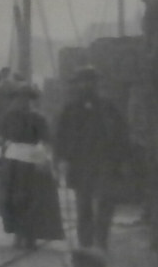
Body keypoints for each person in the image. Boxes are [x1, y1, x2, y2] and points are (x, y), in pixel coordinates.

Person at [54, 66, 130, 249]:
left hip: (105, 161)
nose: (86, 86)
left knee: (105, 202)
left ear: (96, 84)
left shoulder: (107, 107)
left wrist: (122, 159)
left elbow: (122, 133)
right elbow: (60, 136)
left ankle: (101, 241)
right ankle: (86, 244)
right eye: (82, 82)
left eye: (90, 81)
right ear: (77, 85)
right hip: (80, 163)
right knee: (83, 205)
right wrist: (61, 159)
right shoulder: (70, 109)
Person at [0, 83, 65, 249]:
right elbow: (1, 136)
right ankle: (17, 232)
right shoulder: (8, 117)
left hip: (32, 160)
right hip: (13, 160)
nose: (23, 102)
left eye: (27, 99)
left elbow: (46, 141)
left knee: (32, 198)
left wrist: (45, 159)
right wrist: (4, 151)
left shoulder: (38, 118)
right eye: (19, 98)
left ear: (32, 101)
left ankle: (30, 234)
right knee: (12, 198)